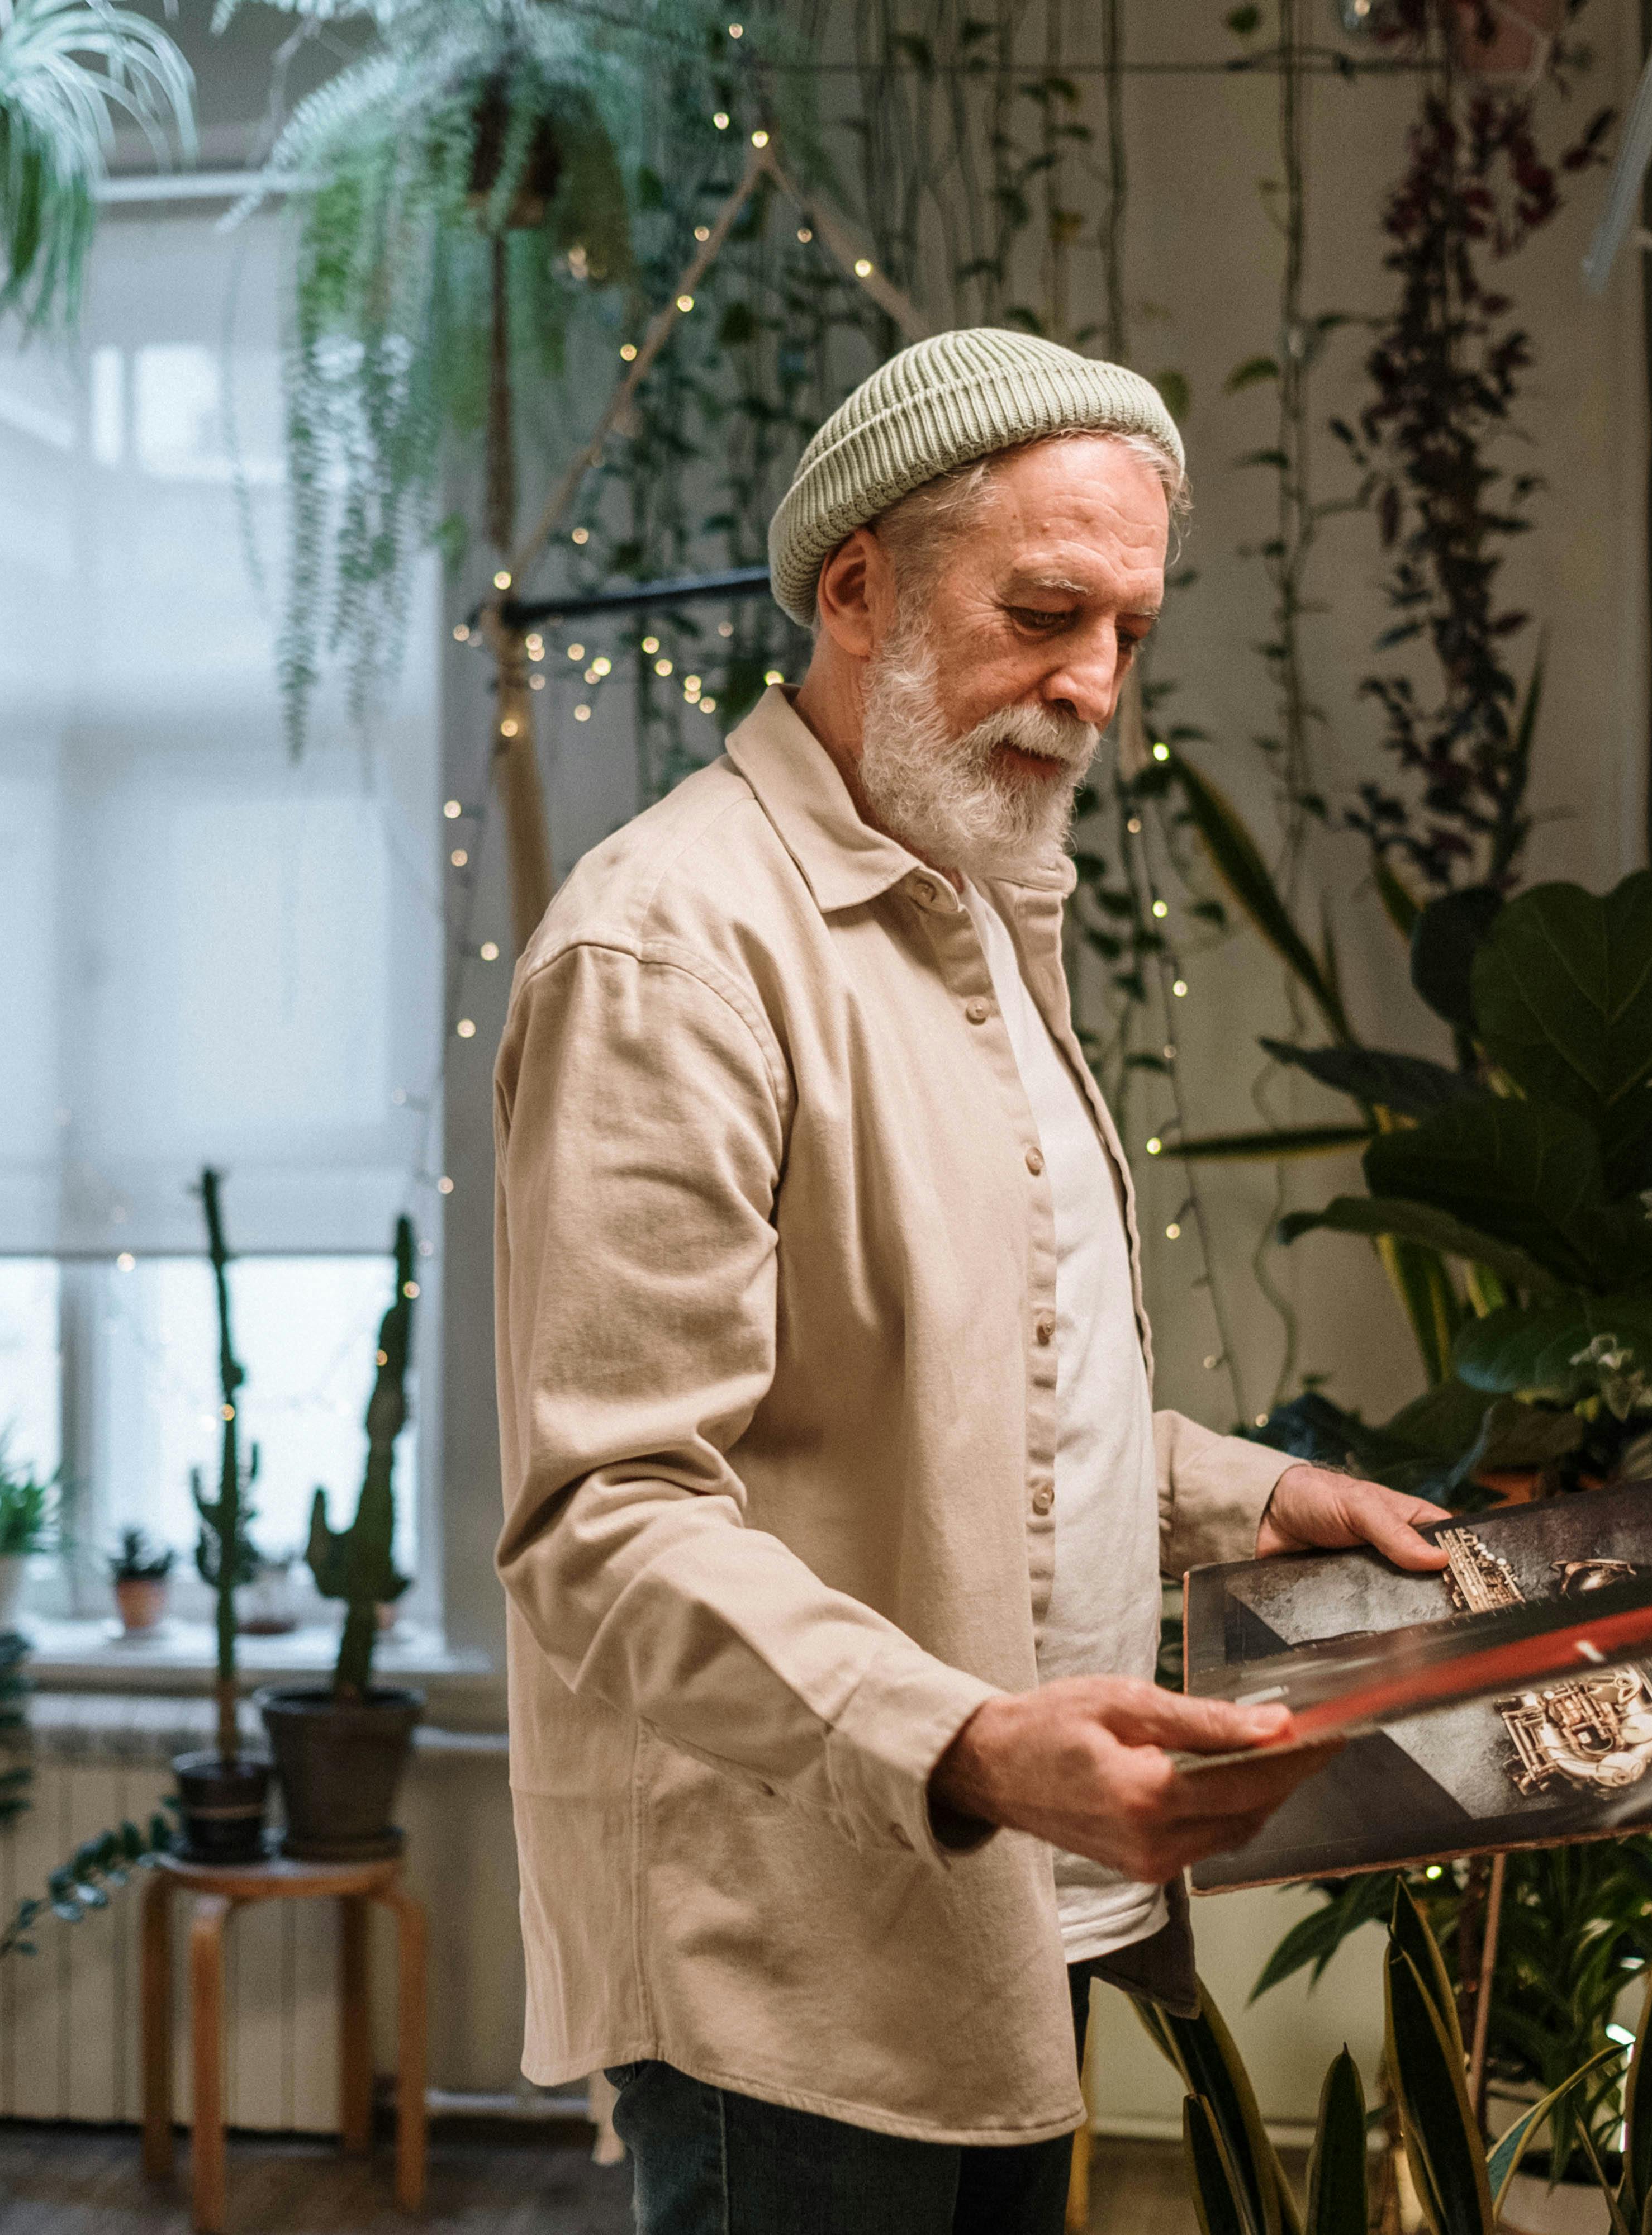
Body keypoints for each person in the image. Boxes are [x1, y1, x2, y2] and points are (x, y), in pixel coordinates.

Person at [492, 329, 1452, 2235]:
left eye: (1128, 630)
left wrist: (1260, 1495)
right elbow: (605, 1522)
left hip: (1028, 1909)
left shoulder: (983, 902)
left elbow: (976, 1397)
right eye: (1042, 611)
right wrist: (970, 1743)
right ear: (857, 586)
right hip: (797, 1959)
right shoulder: (669, 950)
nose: (1094, 685)